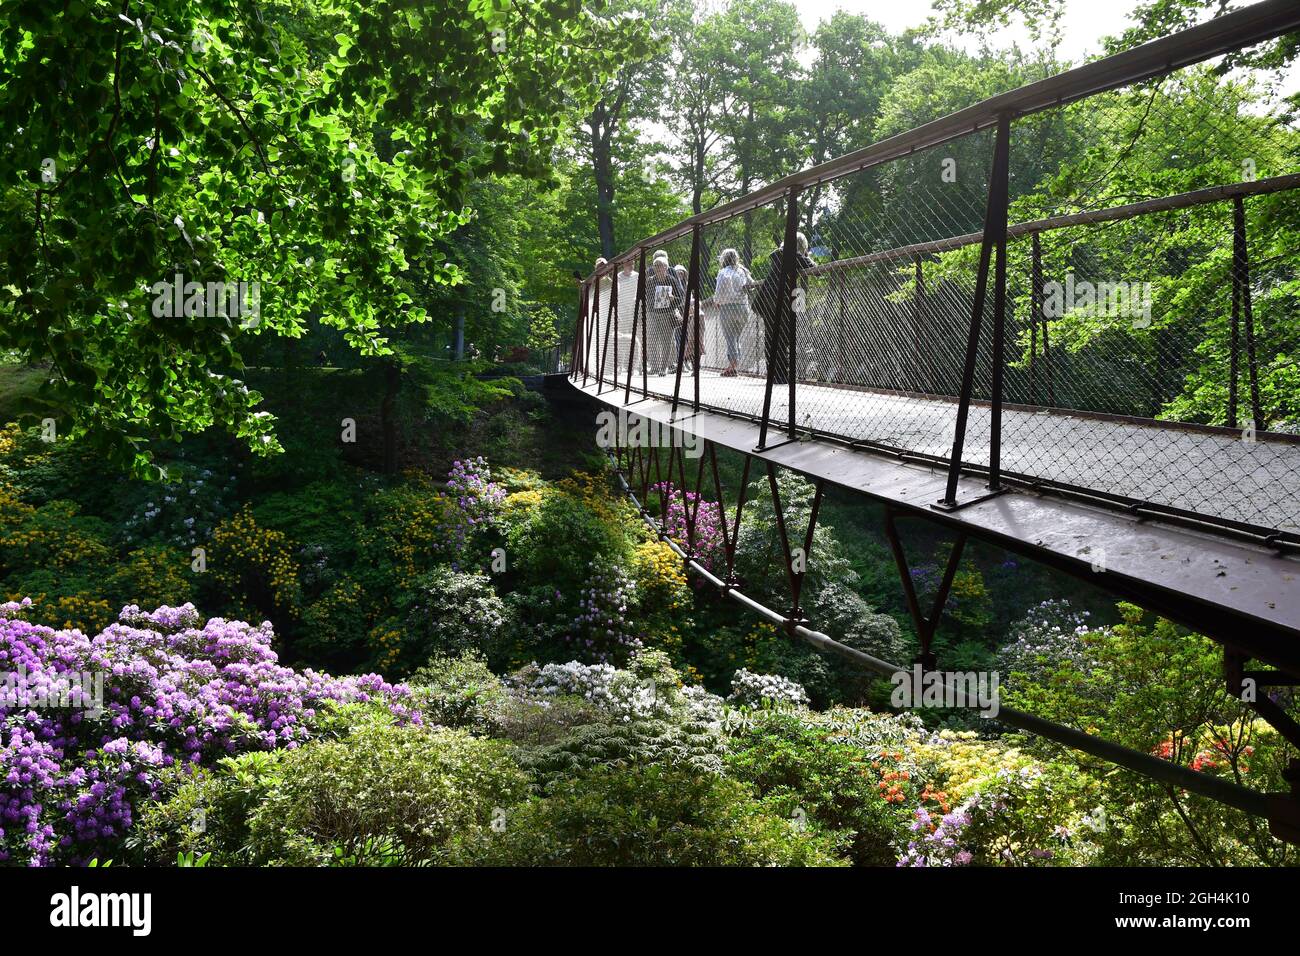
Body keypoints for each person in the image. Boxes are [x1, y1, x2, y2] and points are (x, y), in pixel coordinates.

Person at [751, 232, 814, 385]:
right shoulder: (793, 255)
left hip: (767, 298)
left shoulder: (779, 256)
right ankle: (781, 375)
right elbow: (814, 268)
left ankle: (774, 374)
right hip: (780, 298)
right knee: (783, 336)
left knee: (771, 337)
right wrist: (807, 256)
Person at [712, 248, 751, 377]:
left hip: (727, 308)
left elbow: (719, 291)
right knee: (737, 337)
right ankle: (734, 365)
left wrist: (717, 301)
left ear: (723, 259)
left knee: (730, 338)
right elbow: (750, 284)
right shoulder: (743, 271)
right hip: (743, 307)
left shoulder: (723, 272)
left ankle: (732, 366)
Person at [645, 254, 684, 376]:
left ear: (666, 268)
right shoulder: (650, 281)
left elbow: (681, 298)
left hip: (667, 314)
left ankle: (664, 368)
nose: (657, 268)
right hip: (653, 314)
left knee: (667, 341)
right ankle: (654, 367)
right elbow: (646, 296)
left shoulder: (672, 280)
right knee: (652, 340)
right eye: (655, 266)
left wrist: (672, 298)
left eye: (660, 266)